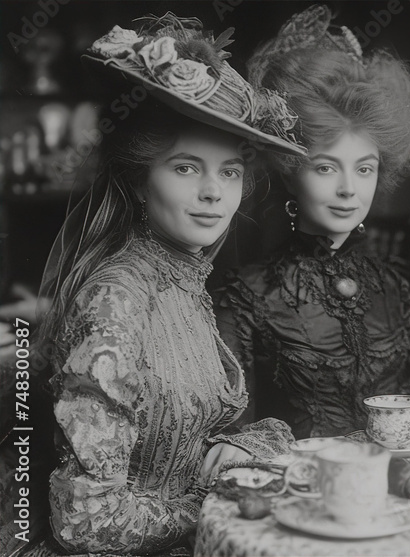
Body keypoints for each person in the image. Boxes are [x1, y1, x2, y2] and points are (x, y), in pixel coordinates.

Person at [26, 15, 300, 555]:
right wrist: (217, 503)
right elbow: (86, 520)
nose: (212, 193)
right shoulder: (115, 301)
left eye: (229, 172)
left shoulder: (185, 283)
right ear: (138, 178)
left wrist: (242, 446)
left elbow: (192, 435)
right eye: (185, 168)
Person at [215, 5, 410, 439]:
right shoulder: (246, 295)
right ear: (289, 168)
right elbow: (235, 437)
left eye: (365, 169)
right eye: (326, 167)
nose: (349, 189)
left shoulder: (398, 291)